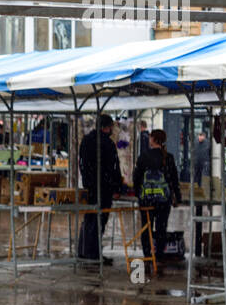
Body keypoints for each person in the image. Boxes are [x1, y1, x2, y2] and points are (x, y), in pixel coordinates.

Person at [78, 114, 125, 264]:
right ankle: (93, 254)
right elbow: (114, 167)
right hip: (104, 187)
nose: (112, 129)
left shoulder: (86, 140)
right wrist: (117, 186)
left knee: (89, 217)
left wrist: (87, 180)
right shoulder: (107, 143)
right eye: (111, 127)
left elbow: (82, 163)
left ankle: (83, 251)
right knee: (99, 220)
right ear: (107, 127)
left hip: (89, 186)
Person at [135, 128, 182, 268]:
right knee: (161, 228)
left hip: (146, 200)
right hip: (163, 200)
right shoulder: (168, 157)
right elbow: (174, 179)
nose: (149, 139)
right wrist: (177, 197)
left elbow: (137, 177)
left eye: (150, 137)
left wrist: (139, 194)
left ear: (154, 139)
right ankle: (159, 255)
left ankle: (147, 255)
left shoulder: (144, 156)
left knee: (146, 227)